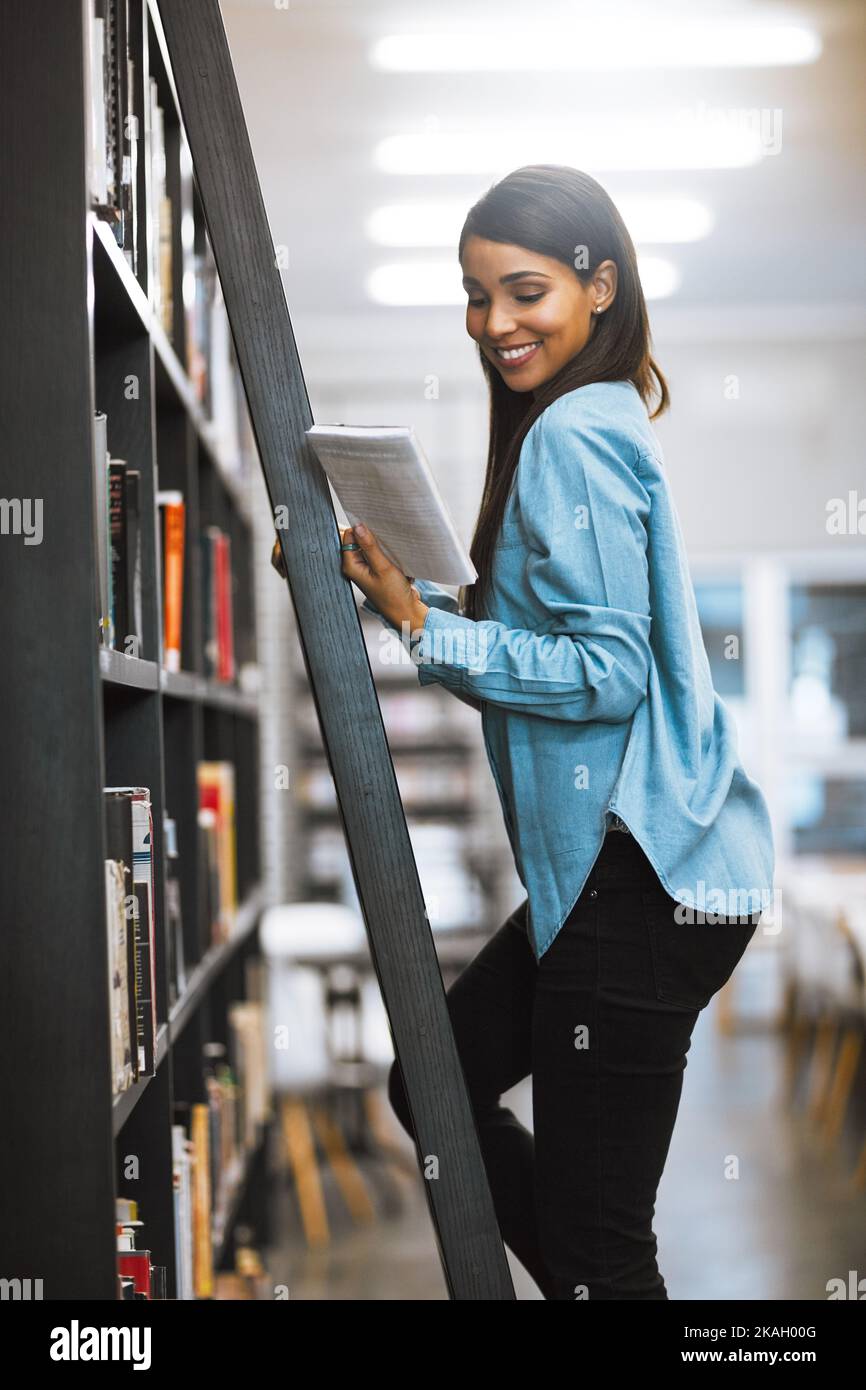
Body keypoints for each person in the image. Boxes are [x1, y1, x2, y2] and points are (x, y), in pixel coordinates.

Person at [273, 165, 775, 1300]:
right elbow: (544, 672)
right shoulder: (577, 424)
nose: (492, 322)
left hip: (642, 881)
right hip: (624, 880)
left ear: (599, 289)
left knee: (599, 1247)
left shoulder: (570, 438)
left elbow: (602, 675)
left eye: (524, 290)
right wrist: (405, 601)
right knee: (437, 1088)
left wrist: (418, 625)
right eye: (473, 294)